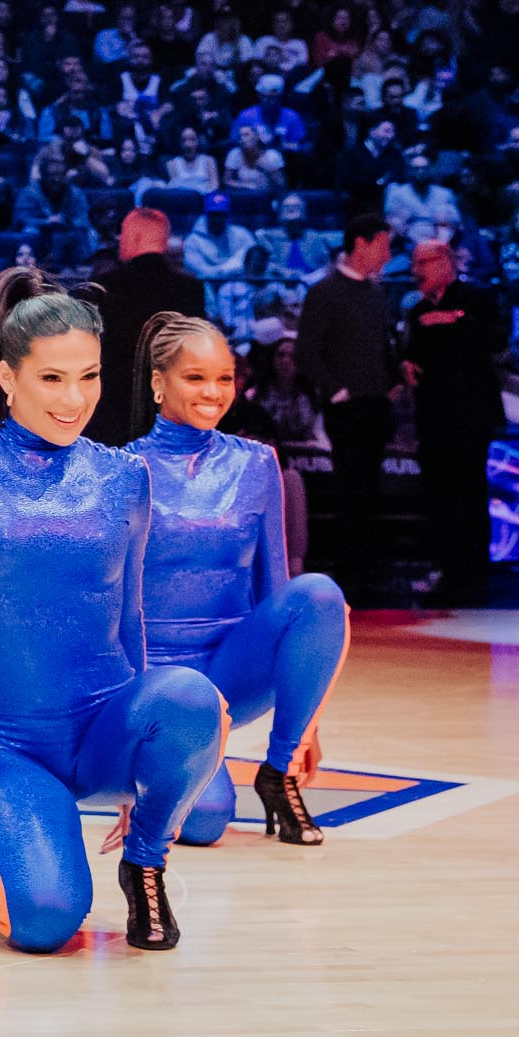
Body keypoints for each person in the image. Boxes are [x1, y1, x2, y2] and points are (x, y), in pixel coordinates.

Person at [0, 269, 224, 953]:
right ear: (7, 376)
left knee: (194, 697)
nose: (74, 398)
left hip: (107, 730)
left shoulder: (124, 475)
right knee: (47, 922)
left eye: (89, 375)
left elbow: (130, 616)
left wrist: (145, 773)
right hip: (8, 744)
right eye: (52, 378)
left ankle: (145, 860)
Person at [128, 312, 349, 846]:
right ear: (159, 383)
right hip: (155, 674)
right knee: (205, 820)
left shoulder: (257, 463)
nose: (213, 392)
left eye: (224, 378)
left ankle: (278, 771)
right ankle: (165, 753)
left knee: (318, 595)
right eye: (195, 377)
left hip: (232, 665)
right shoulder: (123, 469)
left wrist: (305, 724)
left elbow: (275, 586)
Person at [398, 236, 506, 607]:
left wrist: (455, 321)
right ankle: (445, 573)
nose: (416, 273)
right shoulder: (415, 313)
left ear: (446, 262)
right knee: (439, 498)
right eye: (414, 264)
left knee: (470, 496)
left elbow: (497, 341)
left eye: (423, 263)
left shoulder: (478, 300)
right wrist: (407, 365)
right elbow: (412, 355)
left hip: (470, 417)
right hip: (433, 418)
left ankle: (474, 577)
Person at [296, 210, 399, 599]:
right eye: (384, 245)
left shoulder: (375, 293)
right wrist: (336, 390)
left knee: (370, 491)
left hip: (375, 406)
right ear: (362, 244)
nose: (388, 255)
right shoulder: (324, 292)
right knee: (351, 493)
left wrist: (391, 383)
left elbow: (382, 346)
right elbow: (307, 352)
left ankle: (366, 573)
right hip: (348, 408)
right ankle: (350, 577)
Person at [92, 207, 207, 446]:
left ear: (132, 238)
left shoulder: (104, 287)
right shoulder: (190, 289)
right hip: (172, 412)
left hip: (114, 409)